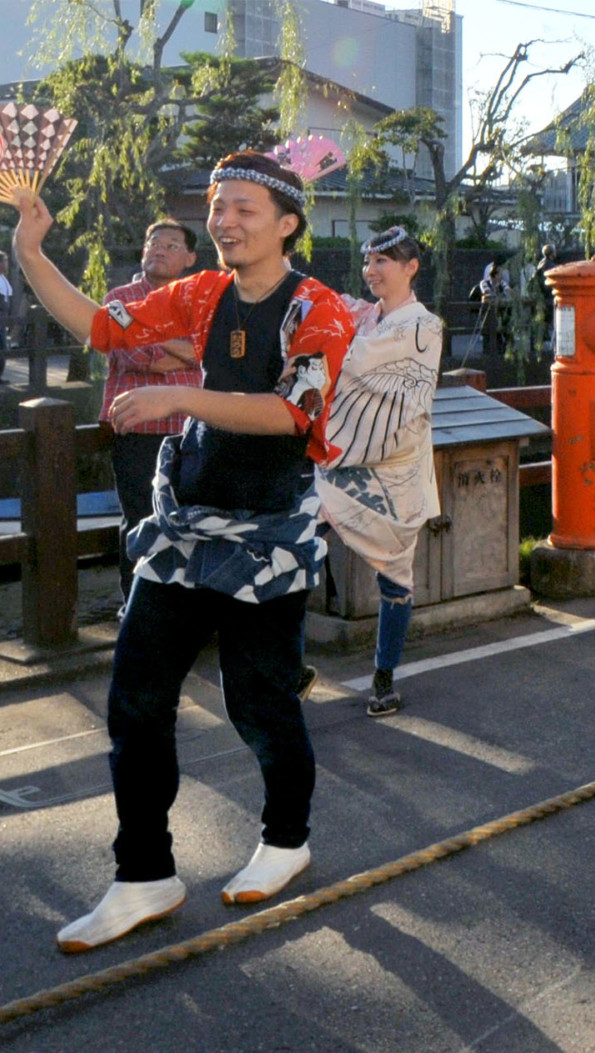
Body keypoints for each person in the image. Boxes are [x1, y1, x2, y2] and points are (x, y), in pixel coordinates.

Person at [8, 151, 353, 951]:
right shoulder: (202, 293)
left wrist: (178, 393)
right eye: (217, 206)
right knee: (135, 694)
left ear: (287, 224)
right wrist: (29, 250)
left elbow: (292, 413)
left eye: (243, 209)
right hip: (186, 520)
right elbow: (101, 327)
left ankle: (286, 838)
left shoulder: (319, 308)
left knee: (257, 699)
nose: (223, 220)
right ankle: (143, 874)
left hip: (267, 530)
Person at [315, 227, 442, 716]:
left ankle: (383, 676)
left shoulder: (424, 326)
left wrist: (338, 351)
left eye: (382, 261)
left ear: (411, 267)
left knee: (395, 577)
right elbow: (323, 313)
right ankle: (284, 663)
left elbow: (361, 365)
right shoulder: (363, 315)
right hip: (343, 458)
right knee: (297, 545)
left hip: (396, 463)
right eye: (368, 262)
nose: (371, 271)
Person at [101, 220, 201, 603]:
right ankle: (135, 606)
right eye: (153, 242)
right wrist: (183, 350)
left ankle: (183, 607)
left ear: (189, 258)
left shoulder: (199, 302)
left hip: (191, 427)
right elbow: (137, 356)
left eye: (171, 245)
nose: (159, 249)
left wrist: (157, 336)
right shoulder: (118, 302)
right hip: (139, 427)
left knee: (192, 517)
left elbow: (207, 352)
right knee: (141, 516)